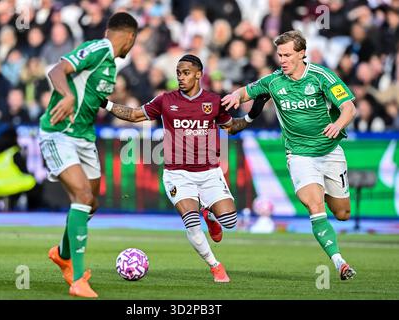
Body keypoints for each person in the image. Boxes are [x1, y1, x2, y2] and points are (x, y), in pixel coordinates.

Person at [99, 54, 269, 282]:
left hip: (209, 173)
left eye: (186, 72)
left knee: (230, 222)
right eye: (178, 73)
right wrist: (105, 103)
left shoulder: (213, 101)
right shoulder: (165, 100)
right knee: (190, 219)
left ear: (199, 74)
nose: (181, 77)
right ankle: (215, 266)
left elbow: (231, 128)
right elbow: (133, 115)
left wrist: (252, 115)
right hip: (177, 174)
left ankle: (209, 213)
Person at [222, 30, 358, 280]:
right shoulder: (274, 81)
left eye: (287, 55)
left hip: (329, 152)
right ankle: (340, 262)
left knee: (342, 213)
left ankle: (326, 191)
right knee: (314, 206)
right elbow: (248, 91)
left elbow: (349, 107)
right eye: (279, 55)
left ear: (302, 53)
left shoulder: (321, 77)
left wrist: (338, 124)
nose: (282, 59)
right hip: (299, 155)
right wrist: (235, 95)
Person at [38, 12, 138, 298]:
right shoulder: (98, 49)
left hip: (84, 138)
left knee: (91, 203)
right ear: (130, 37)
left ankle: (62, 254)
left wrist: (124, 111)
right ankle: (78, 280)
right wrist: (66, 95)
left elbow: (95, 97)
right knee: (82, 197)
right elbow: (56, 71)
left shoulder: (110, 67)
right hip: (59, 134)